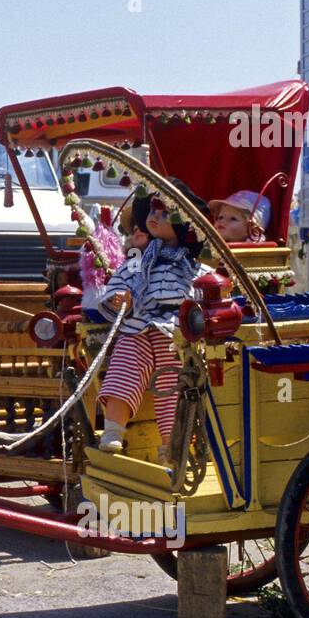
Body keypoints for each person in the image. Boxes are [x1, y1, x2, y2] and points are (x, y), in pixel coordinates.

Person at [96, 179, 207, 456]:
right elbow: (118, 285)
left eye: (164, 213)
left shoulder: (189, 265)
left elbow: (202, 290)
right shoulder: (138, 260)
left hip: (174, 332)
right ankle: (113, 429)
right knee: (126, 355)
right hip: (138, 324)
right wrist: (120, 298)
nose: (154, 217)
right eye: (153, 212)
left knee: (171, 377)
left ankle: (172, 445)